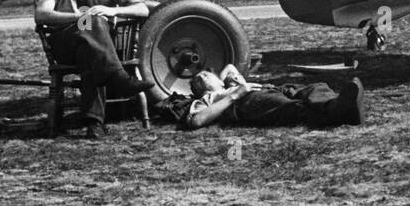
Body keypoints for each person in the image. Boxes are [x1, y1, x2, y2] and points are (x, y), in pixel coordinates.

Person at [34, 0, 154, 139]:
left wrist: (113, 10)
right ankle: (119, 78)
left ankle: (94, 124)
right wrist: (81, 18)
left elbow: (142, 9)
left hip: (101, 49)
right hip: (65, 43)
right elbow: (42, 14)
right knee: (93, 22)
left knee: (91, 54)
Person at [155, 65, 367, 130]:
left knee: (315, 87)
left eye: (204, 74)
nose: (201, 77)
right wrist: (234, 94)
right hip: (245, 102)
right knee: (291, 108)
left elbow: (229, 67)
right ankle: (338, 112)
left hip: (266, 88)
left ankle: (339, 104)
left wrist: (230, 81)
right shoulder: (207, 98)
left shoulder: (227, 82)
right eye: (198, 81)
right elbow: (196, 120)